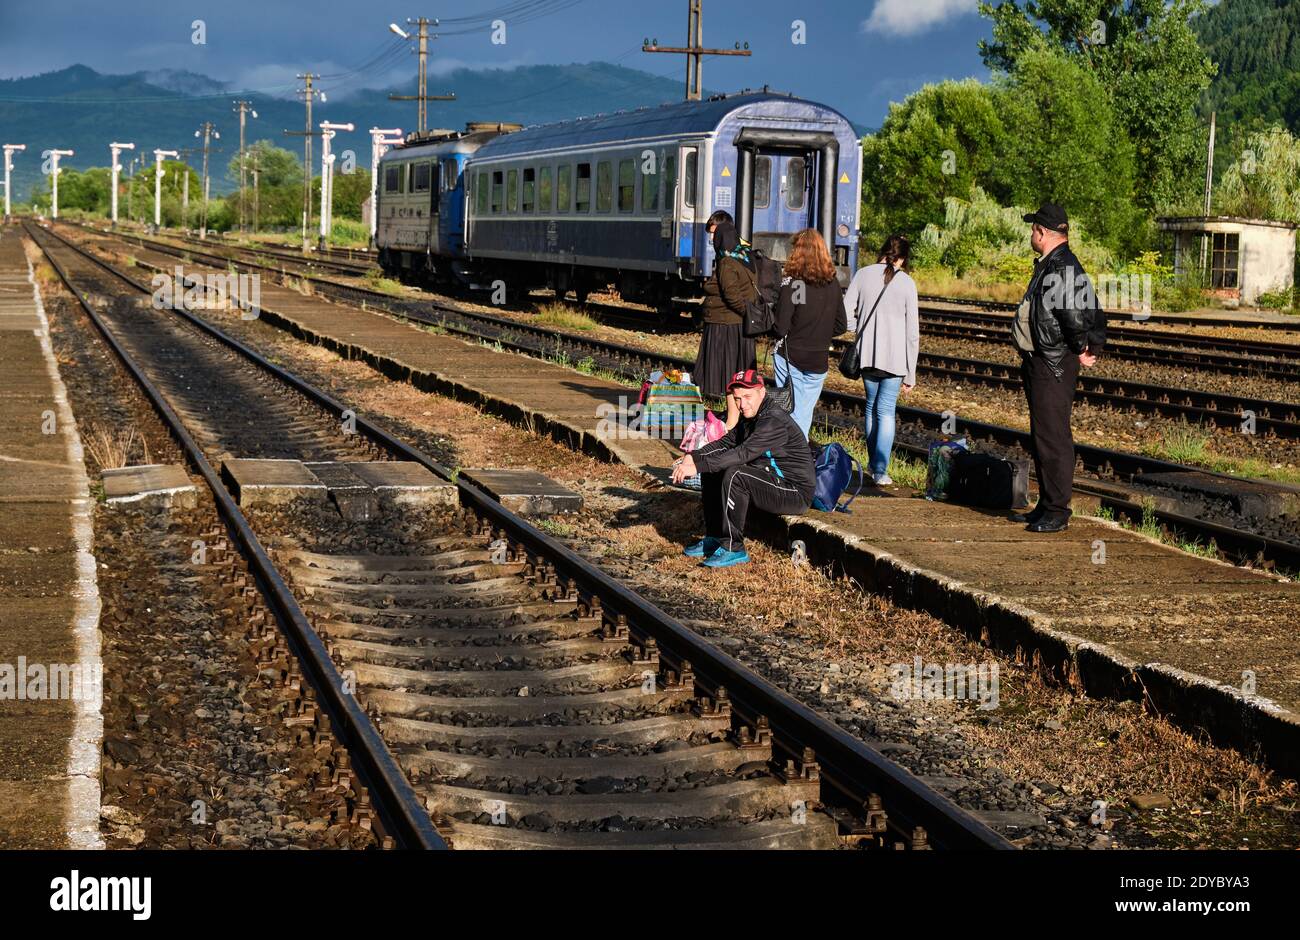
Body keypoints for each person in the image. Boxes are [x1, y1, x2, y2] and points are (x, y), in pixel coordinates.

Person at [1011, 202, 1105, 532]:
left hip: (1053, 363)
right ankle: (1046, 503)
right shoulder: (1055, 263)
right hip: (1044, 360)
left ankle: (1057, 510)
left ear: (1043, 233)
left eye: (1034, 229)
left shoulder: (1061, 266)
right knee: (1043, 435)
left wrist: (1082, 347)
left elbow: (1077, 315)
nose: (1031, 234)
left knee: (1053, 437)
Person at [670, 369, 815, 568]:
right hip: (771, 481)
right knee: (715, 468)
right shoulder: (752, 416)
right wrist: (693, 457)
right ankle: (715, 537)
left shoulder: (772, 421)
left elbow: (743, 453)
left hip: (794, 492)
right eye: (737, 399)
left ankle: (734, 547)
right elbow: (726, 442)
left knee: (735, 472)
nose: (742, 404)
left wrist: (697, 467)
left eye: (747, 397)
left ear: (762, 392)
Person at [842, 234, 919, 485]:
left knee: (871, 407)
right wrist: (911, 373)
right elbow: (912, 333)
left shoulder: (862, 274)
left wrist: (856, 329)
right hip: (895, 360)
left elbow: (845, 310)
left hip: (867, 355)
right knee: (886, 411)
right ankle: (880, 470)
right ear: (903, 258)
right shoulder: (907, 283)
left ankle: (872, 464)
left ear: (884, 251)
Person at [771, 228, 847, 438]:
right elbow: (841, 325)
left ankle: (793, 457)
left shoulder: (795, 284)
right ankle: (799, 453)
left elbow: (781, 328)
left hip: (791, 356)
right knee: (804, 412)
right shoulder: (833, 284)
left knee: (790, 412)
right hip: (818, 359)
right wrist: (819, 334)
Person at [694, 210, 758, 430]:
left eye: (714, 233)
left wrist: (746, 315)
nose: (712, 239)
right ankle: (734, 422)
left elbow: (732, 294)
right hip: (734, 326)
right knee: (733, 378)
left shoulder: (728, 261)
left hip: (728, 328)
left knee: (731, 379)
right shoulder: (743, 255)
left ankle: (732, 424)